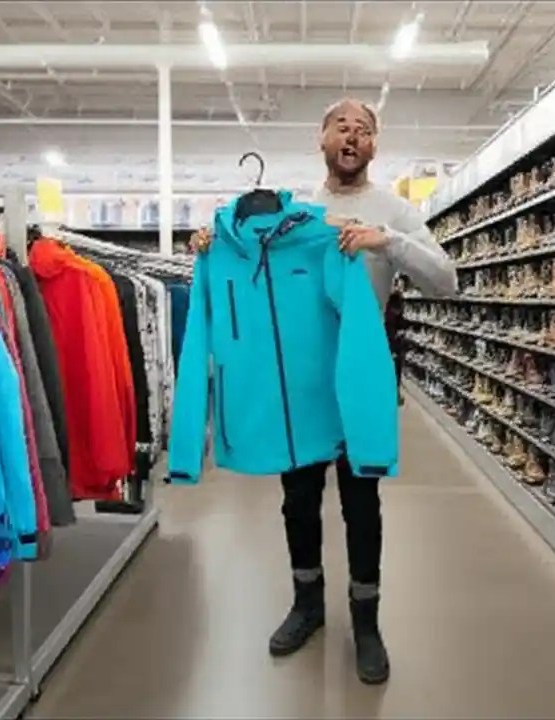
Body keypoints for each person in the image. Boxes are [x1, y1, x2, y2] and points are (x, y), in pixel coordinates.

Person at [189, 98, 457, 684]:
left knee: (363, 504)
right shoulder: (297, 213)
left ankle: (366, 620)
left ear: (375, 145)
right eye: (342, 127)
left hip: (360, 377)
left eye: (364, 130)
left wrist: (384, 241)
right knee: (298, 499)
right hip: (300, 387)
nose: (352, 137)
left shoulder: (393, 210)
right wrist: (212, 243)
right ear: (322, 139)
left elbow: (447, 278)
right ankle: (307, 603)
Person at [385, 274, 408, 406]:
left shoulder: (397, 300)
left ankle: (395, 392)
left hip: (394, 338)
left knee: (396, 366)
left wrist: (402, 330)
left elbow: (400, 319)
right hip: (386, 337)